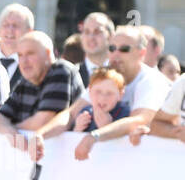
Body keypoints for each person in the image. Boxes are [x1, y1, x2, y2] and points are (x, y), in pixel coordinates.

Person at [37, 24, 171, 160]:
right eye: (112, 48)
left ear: (141, 53)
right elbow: (72, 113)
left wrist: (95, 136)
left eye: (124, 49)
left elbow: (138, 121)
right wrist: (40, 136)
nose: (116, 55)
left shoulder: (152, 80)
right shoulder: (107, 75)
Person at [0, 31, 83, 159]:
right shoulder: (26, 81)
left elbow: (44, 120)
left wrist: (11, 129)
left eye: (30, 54)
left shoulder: (61, 70)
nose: (24, 61)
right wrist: (9, 132)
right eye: (20, 55)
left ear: (48, 54)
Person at [0, 2, 34, 90]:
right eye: (5, 25)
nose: (10, 30)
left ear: (29, 32)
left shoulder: (34, 69)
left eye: (16, 26)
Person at [76, 12, 113, 87]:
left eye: (97, 32)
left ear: (110, 36)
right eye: (86, 32)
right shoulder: (73, 74)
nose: (91, 37)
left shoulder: (122, 73)